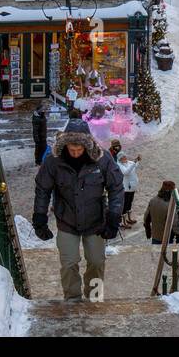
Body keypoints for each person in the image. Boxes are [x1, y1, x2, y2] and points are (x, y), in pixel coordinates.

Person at [32, 118, 124, 302]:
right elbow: (43, 189)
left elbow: (116, 188)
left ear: (87, 146)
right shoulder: (53, 161)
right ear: (65, 145)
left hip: (95, 221)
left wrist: (114, 217)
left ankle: (95, 297)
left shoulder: (102, 159)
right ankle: (72, 299)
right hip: (67, 220)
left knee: (97, 262)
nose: (75, 153)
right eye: (71, 150)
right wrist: (39, 216)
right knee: (69, 263)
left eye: (79, 150)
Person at [143, 180, 179, 246]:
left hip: (155, 236)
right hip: (168, 237)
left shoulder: (153, 201)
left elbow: (146, 218)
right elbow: (174, 223)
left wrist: (148, 232)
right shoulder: (170, 205)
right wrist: (178, 235)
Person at [117, 147, 141, 228]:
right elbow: (126, 172)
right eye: (123, 157)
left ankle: (129, 218)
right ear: (120, 159)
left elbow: (134, 167)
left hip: (132, 187)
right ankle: (123, 222)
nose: (125, 158)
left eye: (125, 157)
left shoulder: (128, 162)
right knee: (125, 204)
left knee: (130, 203)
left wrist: (137, 161)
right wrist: (134, 163)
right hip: (126, 188)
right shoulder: (119, 165)